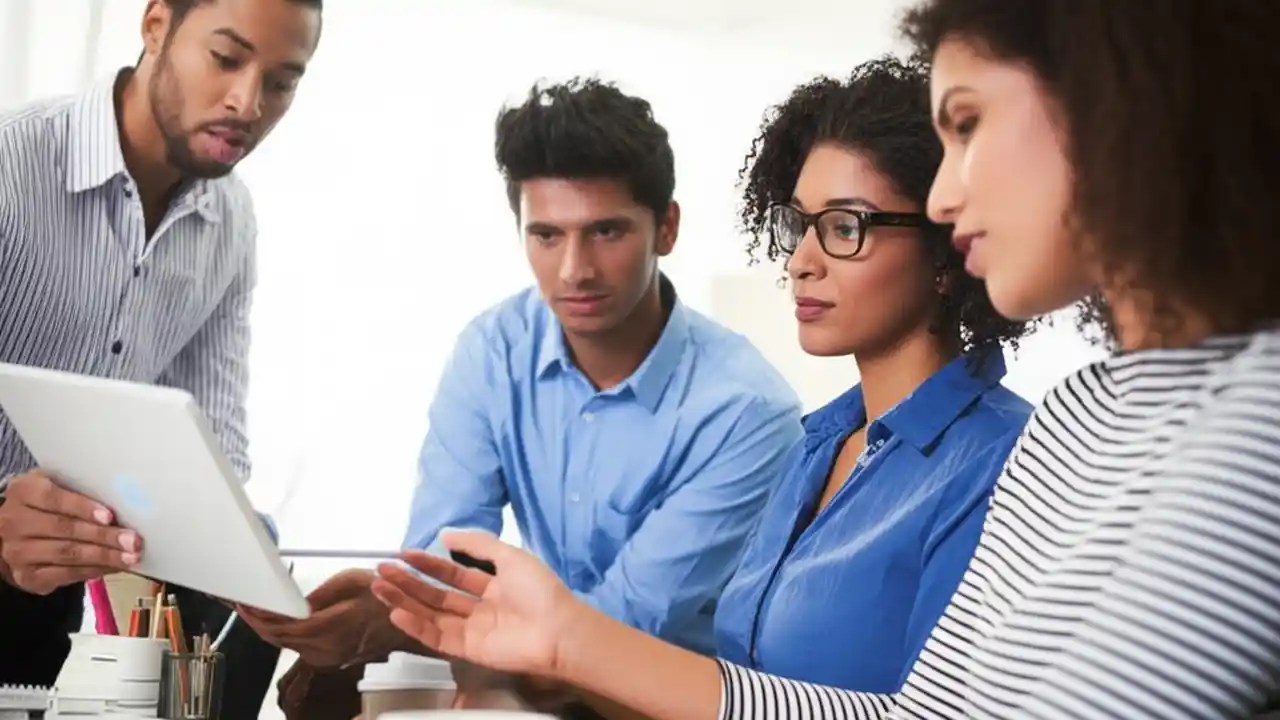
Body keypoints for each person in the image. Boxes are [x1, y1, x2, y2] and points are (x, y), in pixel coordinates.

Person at [369, 1, 1280, 718]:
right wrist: (563, 644)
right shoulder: (1077, 417)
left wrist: (573, 647)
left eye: (967, 126)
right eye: (802, 227)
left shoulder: (1238, 424)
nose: (949, 195)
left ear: (1108, 103)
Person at [237, 78, 803, 689]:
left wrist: (397, 623)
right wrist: (388, 607)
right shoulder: (493, 350)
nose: (574, 271)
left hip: (666, 697)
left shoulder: (747, 412)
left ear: (666, 228)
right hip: (542, 682)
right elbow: (445, 549)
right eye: (547, 235)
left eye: (606, 232)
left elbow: (627, 625)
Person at [0, 0, 322, 712]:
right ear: (155, 27)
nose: (248, 102)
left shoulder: (228, 223)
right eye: (227, 58)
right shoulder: (10, 168)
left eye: (282, 81)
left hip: (42, 602)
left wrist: (240, 549)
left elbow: (212, 452)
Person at [707, 57, 1032, 693]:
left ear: (946, 250)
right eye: (800, 225)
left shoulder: (1000, 462)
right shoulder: (818, 443)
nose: (802, 262)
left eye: (843, 227)